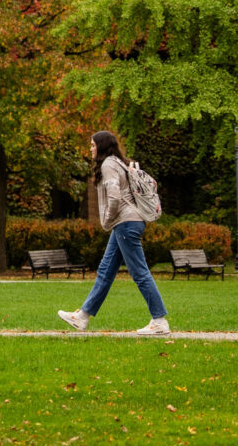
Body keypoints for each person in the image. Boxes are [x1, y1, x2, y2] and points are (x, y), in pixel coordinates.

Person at [59, 131, 169, 336]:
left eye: (92, 145)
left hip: (125, 223)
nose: (90, 148)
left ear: (101, 146)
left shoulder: (108, 164)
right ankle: (83, 316)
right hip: (126, 223)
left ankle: (159, 320)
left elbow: (114, 196)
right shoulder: (118, 162)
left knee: (139, 272)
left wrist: (107, 220)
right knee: (105, 271)